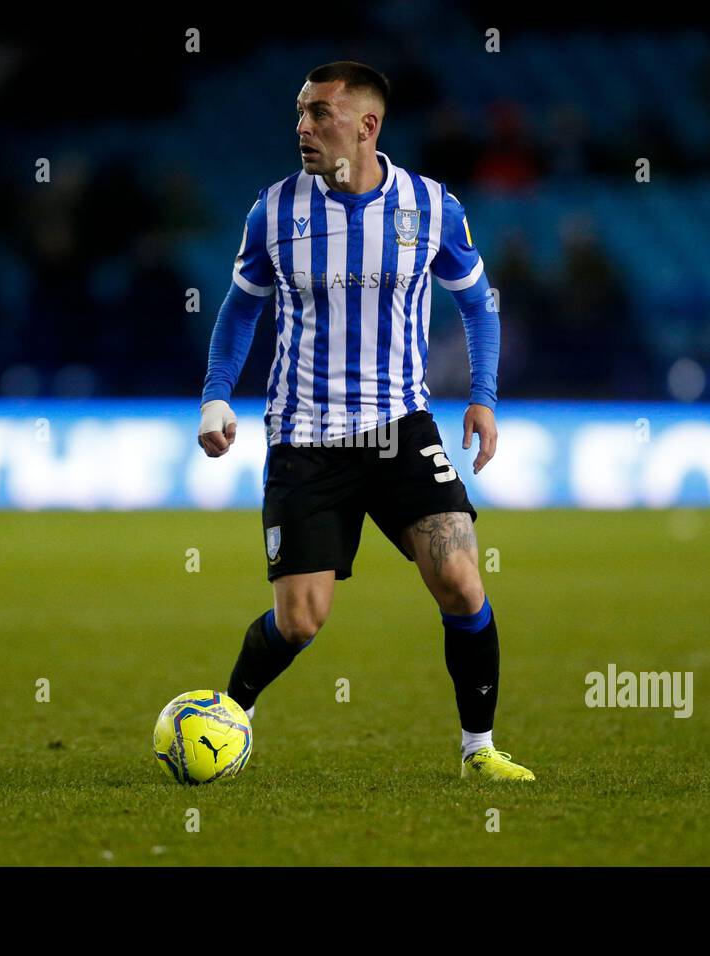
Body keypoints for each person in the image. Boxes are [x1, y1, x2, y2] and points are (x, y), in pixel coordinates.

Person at [197, 61, 532, 781]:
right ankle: (231, 712)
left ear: (366, 125)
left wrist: (484, 395)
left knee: (461, 580)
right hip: (305, 438)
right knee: (300, 620)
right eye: (300, 112)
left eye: (319, 113)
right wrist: (216, 392)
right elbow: (242, 306)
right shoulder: (275, 211)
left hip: (399, 427)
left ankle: (479, 750)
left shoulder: (430, 206)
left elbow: (477, 302)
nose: (302, 127)